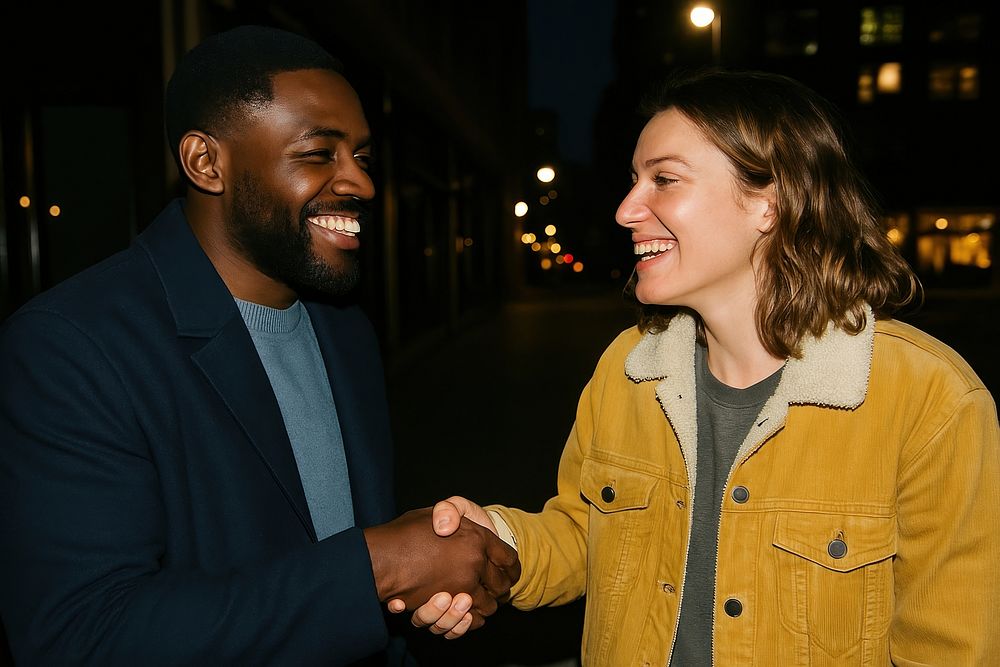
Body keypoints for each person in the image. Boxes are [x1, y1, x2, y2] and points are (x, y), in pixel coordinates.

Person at [404, 68, 1000, 664]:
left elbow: (950, 648)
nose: (625, 210)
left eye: (664, 179)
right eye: (633, 180)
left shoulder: (930, 399)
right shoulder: (626, 370)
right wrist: (494, 542)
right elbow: (589, 535)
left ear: (768, 203)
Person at [0, 25, 518, 665]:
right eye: (318, 153)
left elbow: (334, 553)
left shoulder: (343, 325)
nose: (361, 184)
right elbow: (83, 637)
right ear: (205, 163)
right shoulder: (72, 345)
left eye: (361, 156)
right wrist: (378, 567)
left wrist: (419, 568)